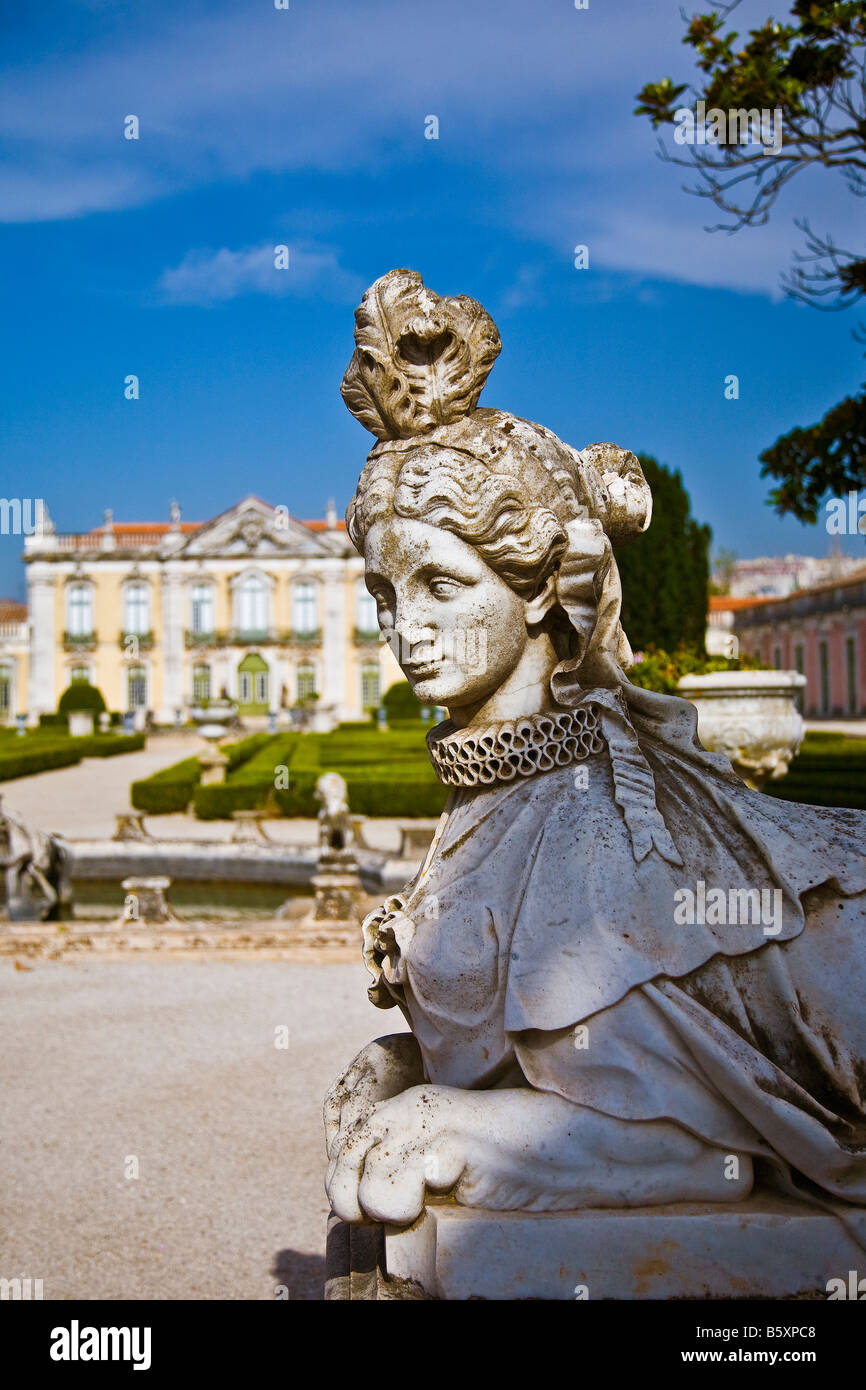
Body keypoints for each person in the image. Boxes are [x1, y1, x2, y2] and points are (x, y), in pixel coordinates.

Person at [324, 270, 866, 1234]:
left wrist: (450, 1121)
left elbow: (690, 1148)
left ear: (536, 590)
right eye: (386, 596)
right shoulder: (497, 807)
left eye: (443, 587)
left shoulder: (596, 830)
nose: (408, 630)